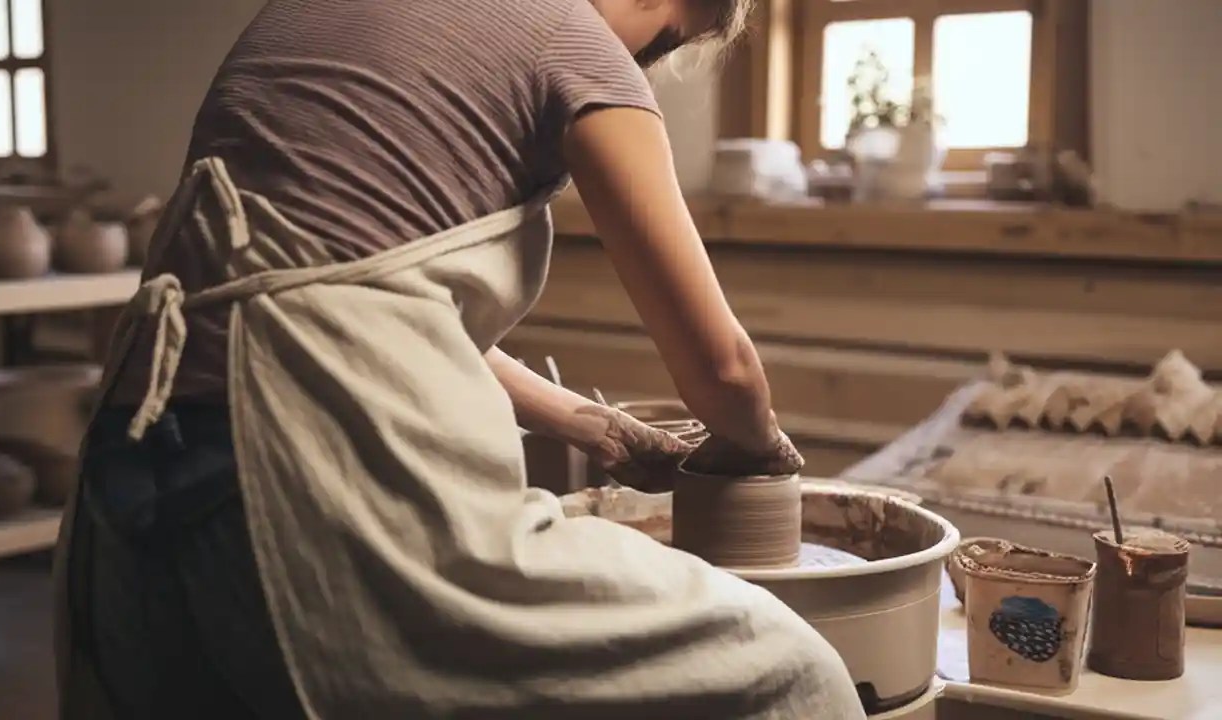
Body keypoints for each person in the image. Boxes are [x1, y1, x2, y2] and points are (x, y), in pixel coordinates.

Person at [53, 0, 866, 718]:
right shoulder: (573, 40)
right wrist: (760, 446)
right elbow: (723, 371)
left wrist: (597, 428)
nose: (643, 64)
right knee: (787, 671)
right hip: (299, 459)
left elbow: (341, 293)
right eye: (664, 42)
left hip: (136, 451)